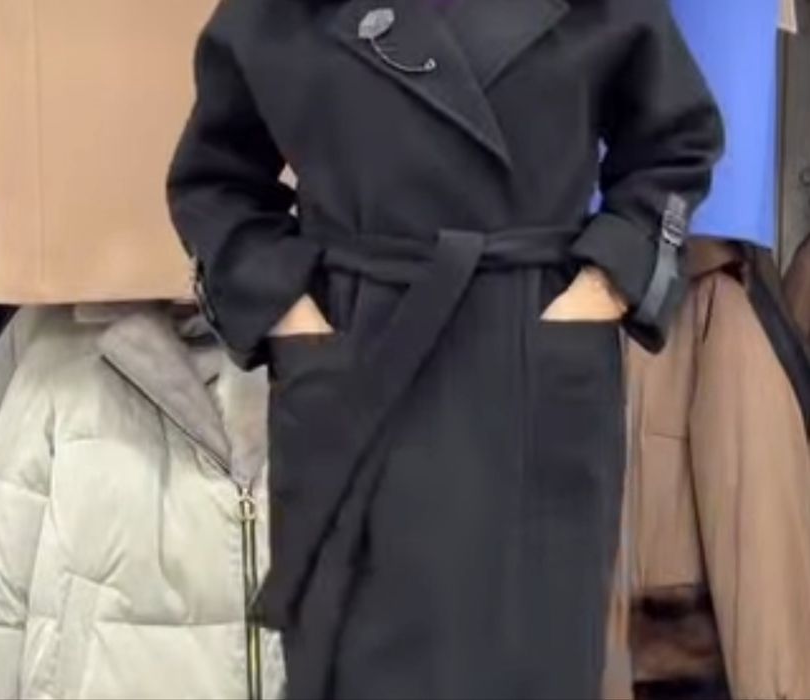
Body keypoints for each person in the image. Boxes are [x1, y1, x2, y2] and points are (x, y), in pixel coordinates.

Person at [167, 0, 723, 697]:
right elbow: (216, 180)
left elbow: (675, 143)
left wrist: (605, 285)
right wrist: (286, 312)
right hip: (360, 365)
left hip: (528, 366)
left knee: (528, 662)